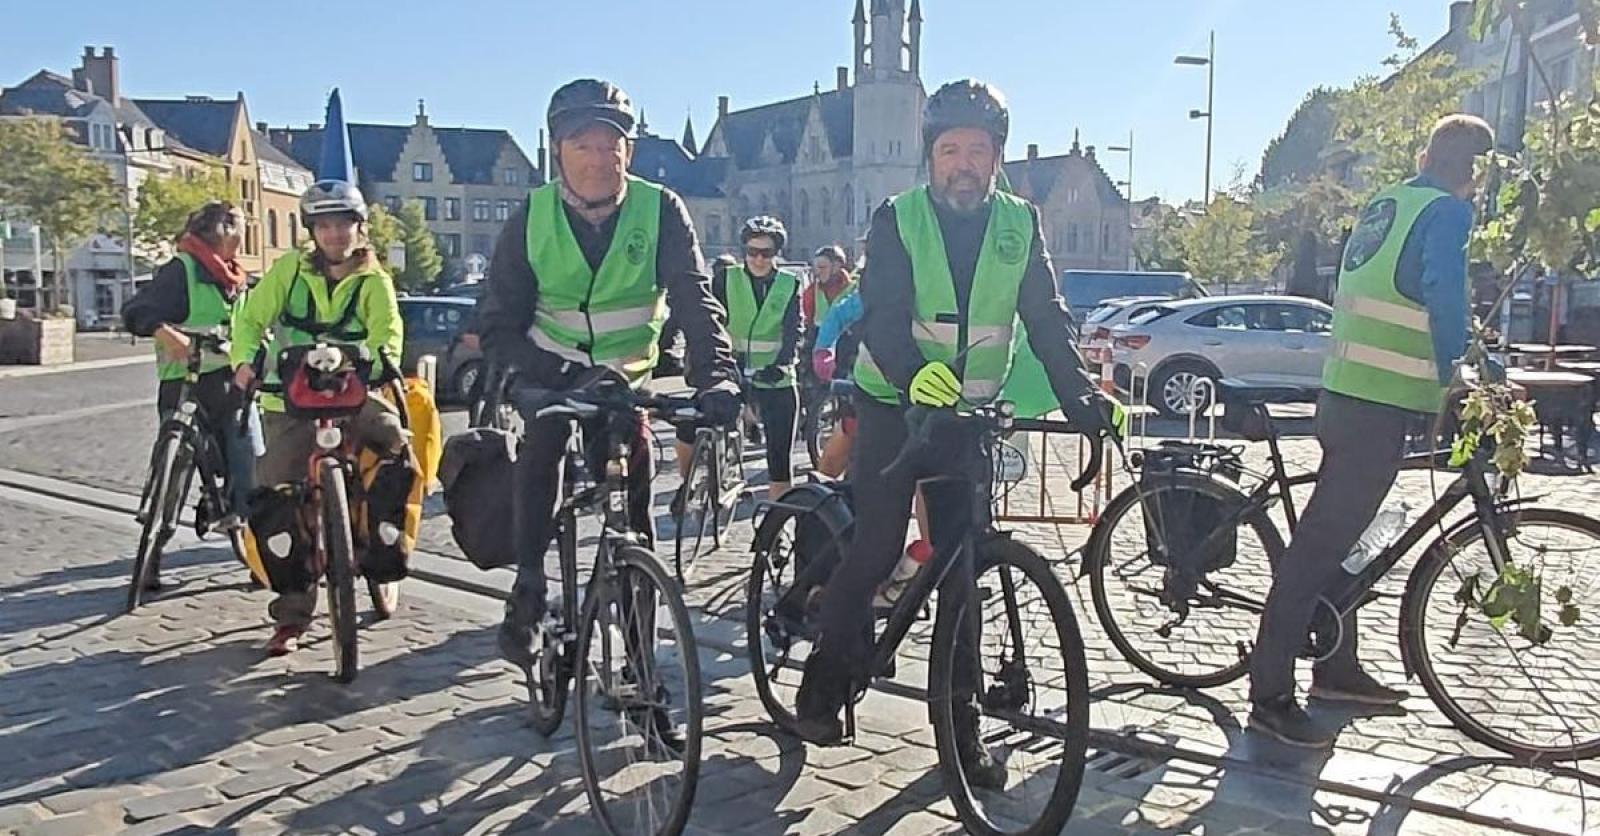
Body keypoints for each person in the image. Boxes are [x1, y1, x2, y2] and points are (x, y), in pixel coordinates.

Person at [792, 80, 1123, 778]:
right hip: (894, 406)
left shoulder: (1019, 222)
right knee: (879, 547)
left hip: (965, 417)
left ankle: (961, 735)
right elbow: (881, 313)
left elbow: (1046, 317)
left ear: (996, 158)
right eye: (950, 150)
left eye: (977, 149)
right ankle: (821, 683)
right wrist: (913, 375)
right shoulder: (897, 217)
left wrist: (1080, 397)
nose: (963, 163)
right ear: (931, 158)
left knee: (962, 574)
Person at [1246, 114, 1494, 747]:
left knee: (1345, 546)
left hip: (1347, 394)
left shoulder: (1389, 202)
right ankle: (1270, 694)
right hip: (1378, 408)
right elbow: (1440, 292)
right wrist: (1462, 372)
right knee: (1316, 552)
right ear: (1474, 168)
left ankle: (1337, 668)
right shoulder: (1447, 212)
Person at [477, 78, 741, 665]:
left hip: (626, 380)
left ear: (629, 151)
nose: (600, 159)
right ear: (558, 152)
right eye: (583, 146)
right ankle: (528, 585)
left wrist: (717, 375)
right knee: (542, 449)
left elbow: (695, 299)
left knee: (636, 512)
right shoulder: (532, 217)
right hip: (552, 373)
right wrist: (554, 375)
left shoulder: (659, 209)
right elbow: (497, 326)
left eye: (611, 145)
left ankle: (644, 665)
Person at [229, 179, 410, 657]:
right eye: (325, 225)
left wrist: (373, 362)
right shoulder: (289, 270)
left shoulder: (374, 281)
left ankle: (382, 544)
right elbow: (250, 319)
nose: (334, 234)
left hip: (352, 394)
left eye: (343, 224)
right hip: (289, 398)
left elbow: (387, 335)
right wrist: (245, 362)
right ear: (312, 231)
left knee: (396, 447)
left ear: (359, 229)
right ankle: (291, 615)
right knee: (277, 493)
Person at [122, 200, 259, 585]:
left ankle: (255, 545)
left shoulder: (236, 278)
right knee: (175, 463)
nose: (244, 235)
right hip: (184, 385)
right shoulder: (180, 271)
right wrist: (165, 331)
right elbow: (136, 310)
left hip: (231, 386)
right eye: (242, 227)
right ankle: (154, 546)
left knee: (249, 457)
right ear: (225, 230)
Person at [674, 217, 802, 500]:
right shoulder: (725, 278)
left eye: (766, 253)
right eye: (752, 251)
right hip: (729, 371)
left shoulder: (789, 284)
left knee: (779, 459)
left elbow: (794, 330)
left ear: (776, 253)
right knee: (686, 423)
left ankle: (777, 527)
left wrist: (782, 363)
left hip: (774, 377)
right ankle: (687, 483)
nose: (758, 259)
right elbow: (707, 320)